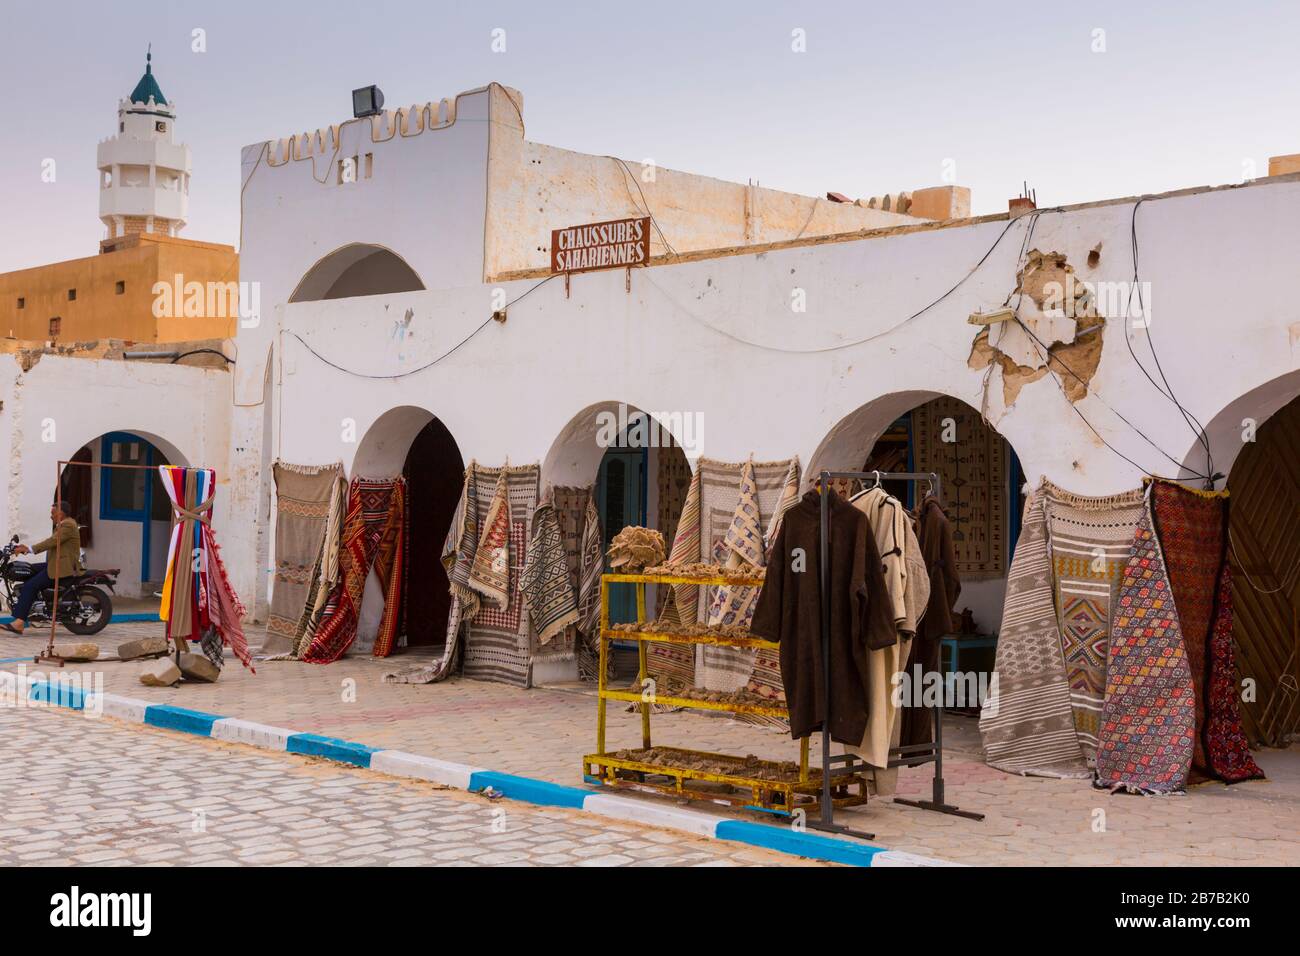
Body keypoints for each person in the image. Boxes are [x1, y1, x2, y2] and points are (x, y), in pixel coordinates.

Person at [3, 501, 83, 635]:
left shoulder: (68, 525)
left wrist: (28, 549)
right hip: (55, 563)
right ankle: (33, 603)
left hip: (62, 568)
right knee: (29, 569)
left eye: (53, 513)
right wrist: (17, 548)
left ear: (61, 513)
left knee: (30, 586)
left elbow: (52, 542)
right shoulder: (63, 525)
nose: (51, 516)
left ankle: (19, 623)